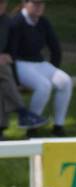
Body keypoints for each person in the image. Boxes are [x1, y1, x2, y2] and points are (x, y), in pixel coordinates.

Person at [7, 0, 70, 136]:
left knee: (65, 81)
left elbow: (55, 47)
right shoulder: (17, 22)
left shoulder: (43, 22)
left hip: (39, 63)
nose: (39, 7)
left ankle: (58, 125)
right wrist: (15, 81)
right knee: (44, 85)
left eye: (41, 4)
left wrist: (54, 69)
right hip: (20, 63)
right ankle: (31, 126)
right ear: (25, 3)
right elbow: (11, 52)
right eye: (35, 3)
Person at [0, 0, 48, 136]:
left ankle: (1, 130)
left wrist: (8, 55)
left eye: (3, 2)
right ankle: (22, 112)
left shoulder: (6, 21)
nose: (2, 5)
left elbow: (11, 47)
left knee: (2, 80)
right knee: (3, 71)